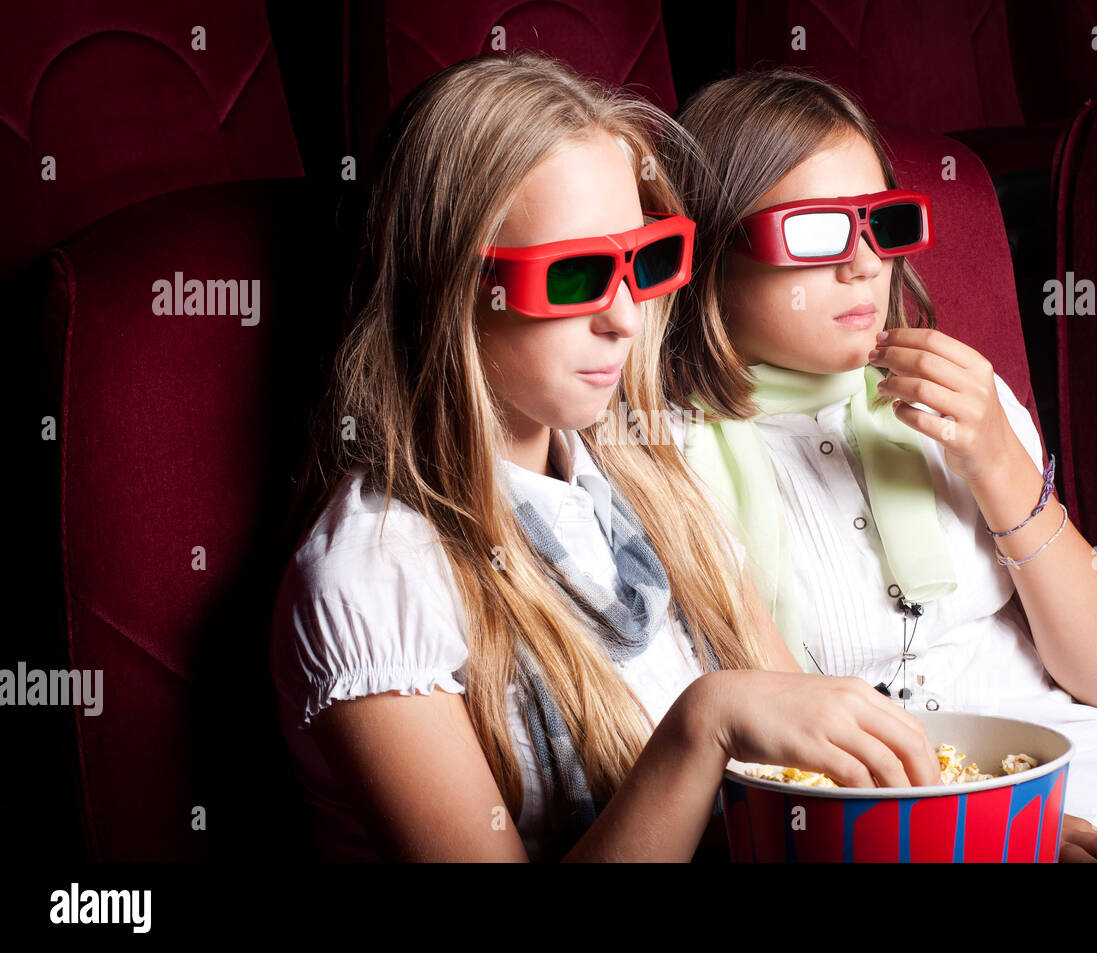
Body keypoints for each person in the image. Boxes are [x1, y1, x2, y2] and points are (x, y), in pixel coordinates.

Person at [268, 52, 941, 863]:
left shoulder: (648, 474)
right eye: (578, 273)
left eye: (647, 261)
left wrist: (989, 830)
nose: (625, 317)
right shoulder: (374, 575)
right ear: (449, 285)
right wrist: (704, 724)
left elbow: (819, 770)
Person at [659, 67, 1097, 863]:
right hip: (905, 807)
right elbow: (789, 752)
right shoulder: (672, 458)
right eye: (815, 231)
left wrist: (996, 456)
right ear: (712, 252)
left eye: (882, 223)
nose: (864, 264)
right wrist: (992, 829)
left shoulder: (962, 391)